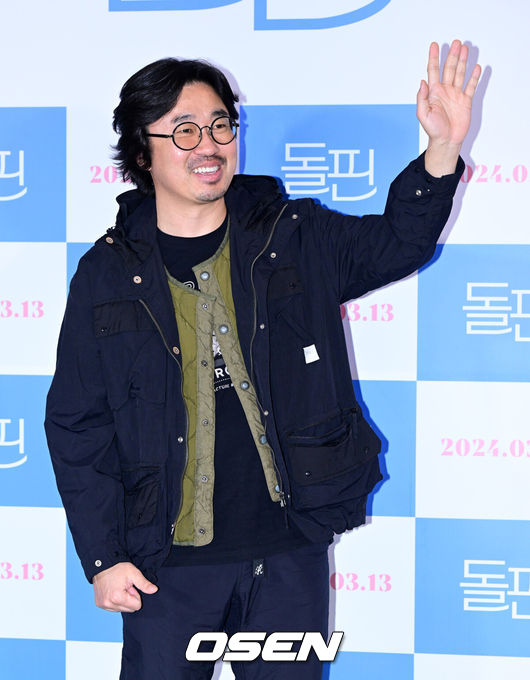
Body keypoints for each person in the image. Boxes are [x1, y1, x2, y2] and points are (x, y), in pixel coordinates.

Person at [45, 40, 481, 679]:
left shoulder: (292, 236)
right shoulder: (106, 273)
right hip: (167, 564)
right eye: (185, 130)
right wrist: (103, 557)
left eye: (220, 125)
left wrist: (441, 149)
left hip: (287, 553)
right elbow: (77, 424)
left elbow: (397, 243)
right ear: (142, 152)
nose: (209, 145)